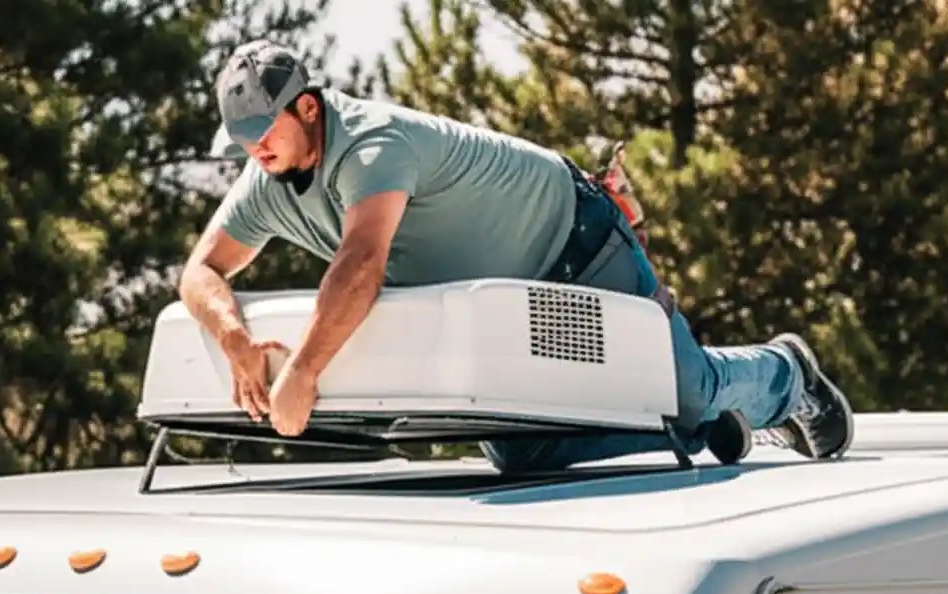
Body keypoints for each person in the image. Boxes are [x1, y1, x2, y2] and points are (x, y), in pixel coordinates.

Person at [178, 38, 854, 471]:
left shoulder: (371, 144)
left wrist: (302, 372)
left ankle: (787, 375)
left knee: (685, 387)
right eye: (242, 140)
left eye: (263, 131)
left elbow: (360, 268)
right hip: (507, 300)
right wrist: (236, 340)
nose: (254, 150)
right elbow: (200, 272)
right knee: (521, 451)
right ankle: (701, 430)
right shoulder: (265, 179)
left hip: (575, 239)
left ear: (307, 109)